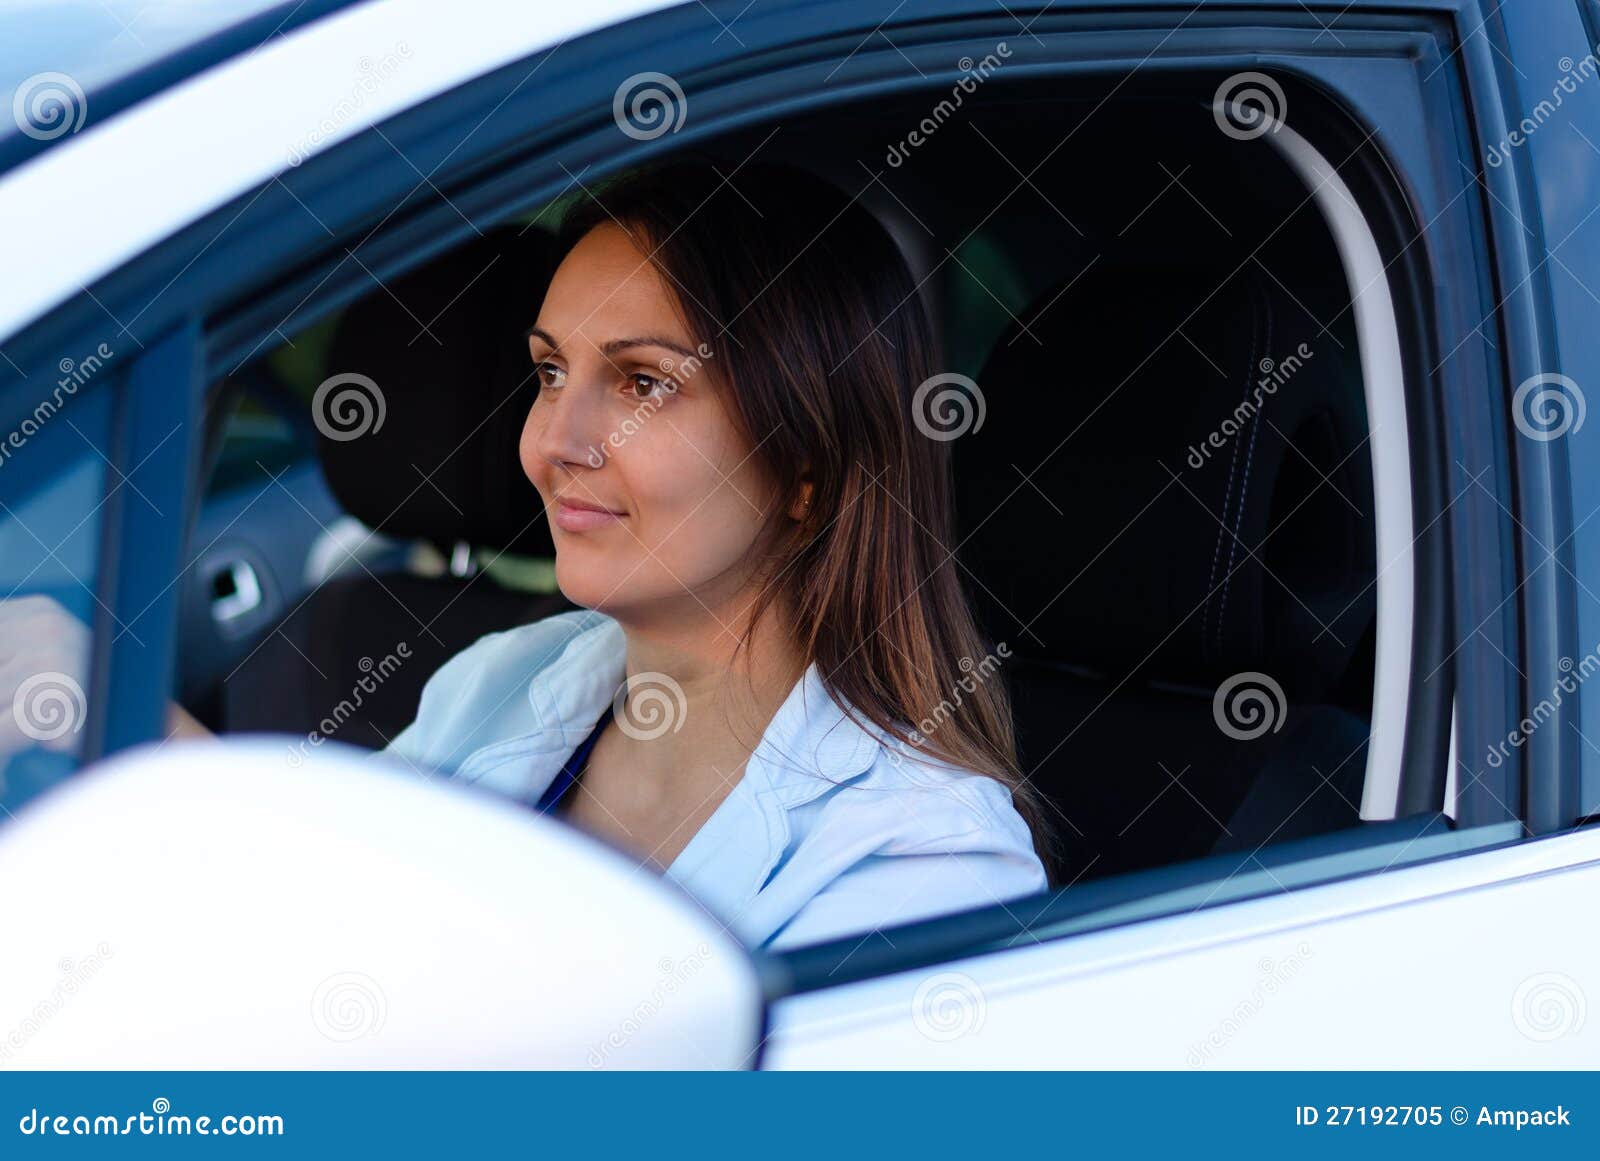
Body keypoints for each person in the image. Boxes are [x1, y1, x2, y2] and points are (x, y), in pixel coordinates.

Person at [381, 160, 1049, 950]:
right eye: (551, 372)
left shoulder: (928, 864)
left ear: (807, 468)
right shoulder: (494, 681)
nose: (553, 442)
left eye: (643, 383)